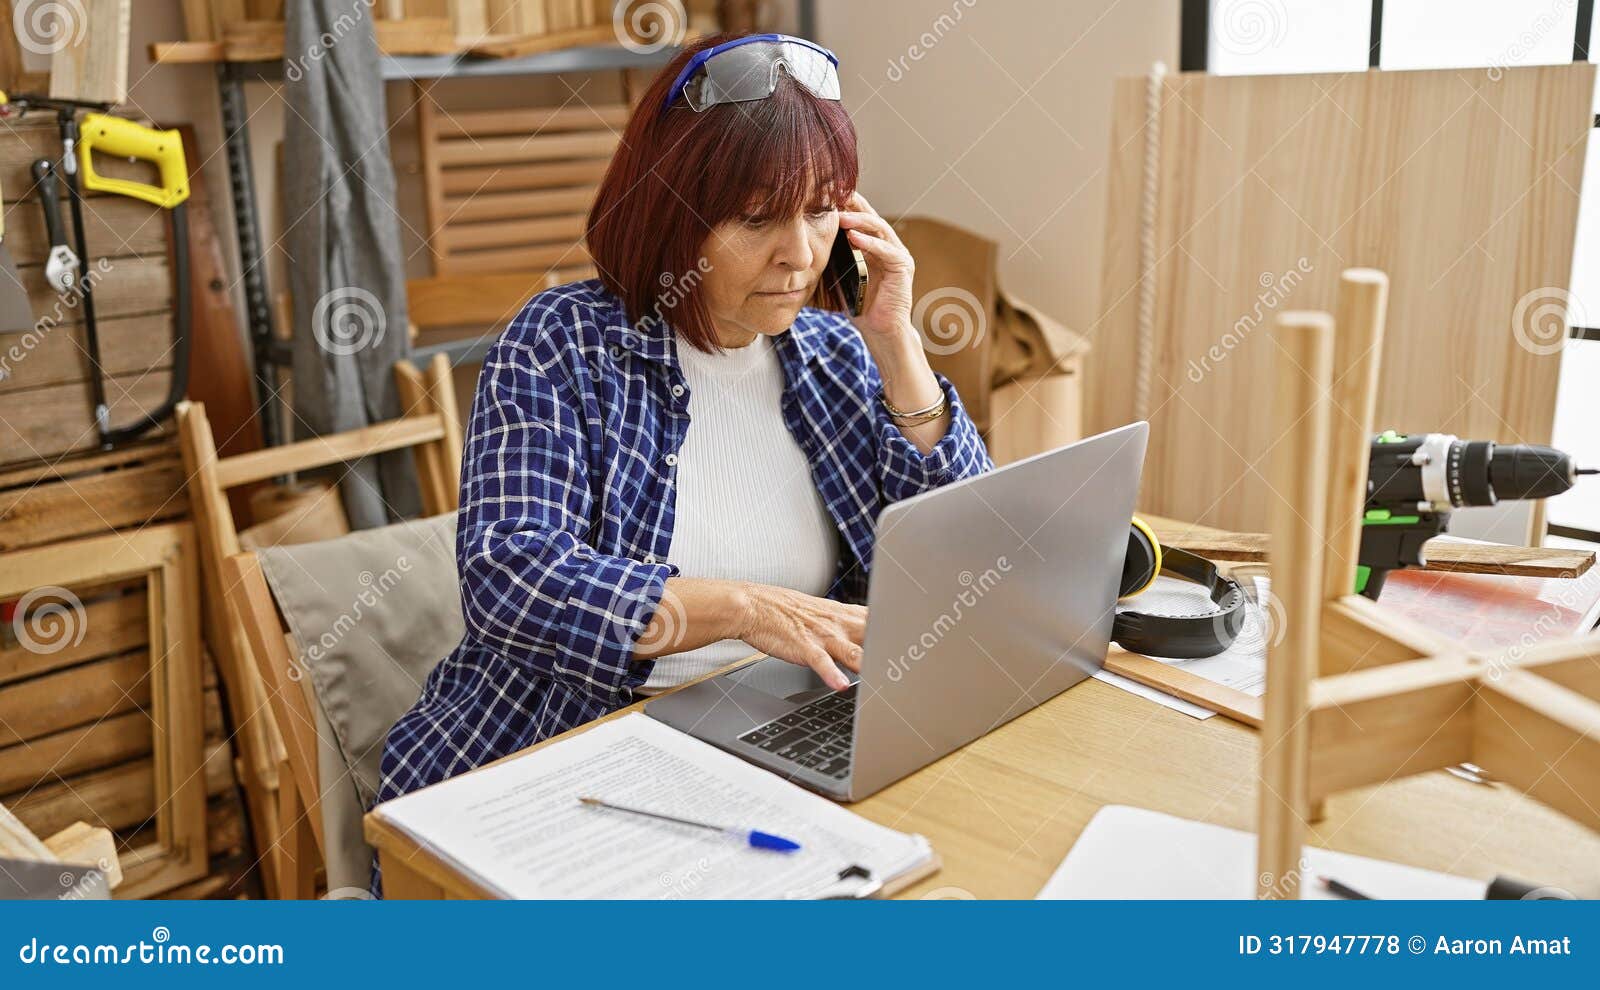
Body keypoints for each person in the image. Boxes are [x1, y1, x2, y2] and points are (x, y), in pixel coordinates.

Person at [374, 32, 992, 832]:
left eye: (818, 211)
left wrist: (898, 344)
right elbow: (511, 579)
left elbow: (968, 559)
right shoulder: (562, 343)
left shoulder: (838, 352)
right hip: (575, 749)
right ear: (675, 213)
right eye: (756, 217)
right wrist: (744, 609)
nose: (799, 255)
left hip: (786, 735)